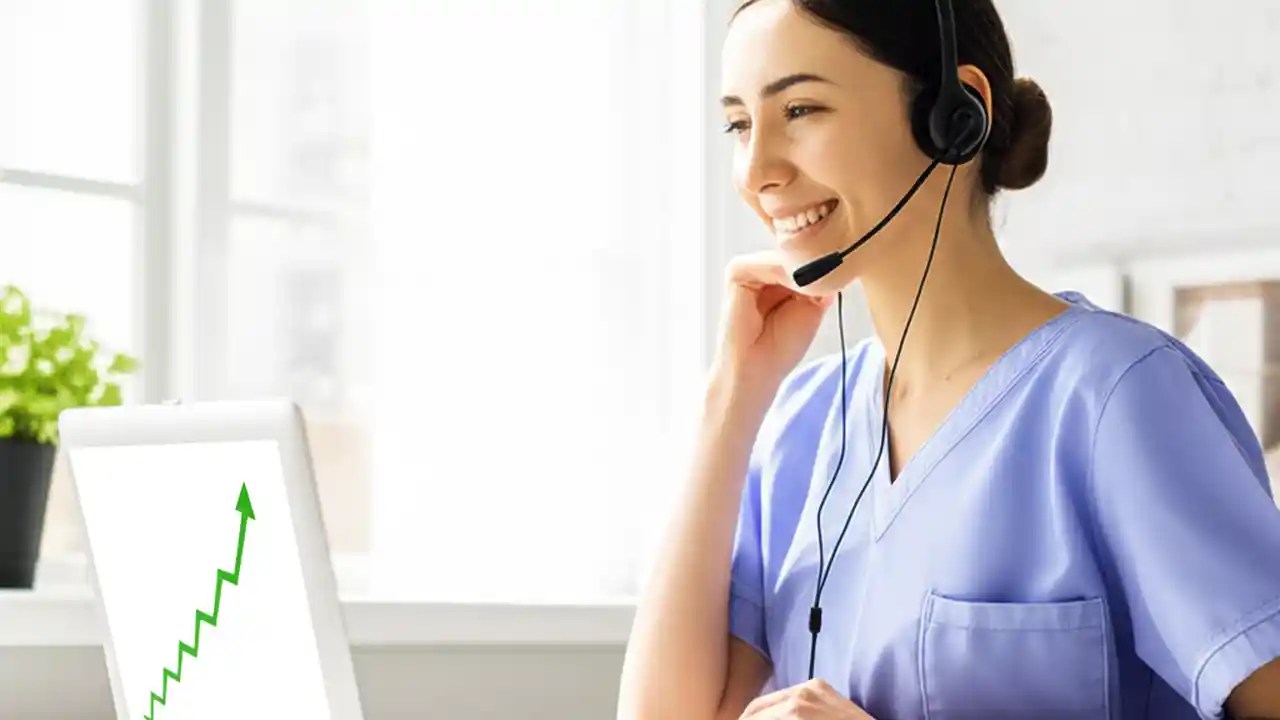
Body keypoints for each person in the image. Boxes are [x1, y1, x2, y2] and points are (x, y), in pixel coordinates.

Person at [616, 1, 1280, 719]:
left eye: (802, 109)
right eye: (740, 124)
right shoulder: (796, 424)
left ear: (955, 114)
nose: (757, 170)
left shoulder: (1118, 395)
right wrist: (731, 397)